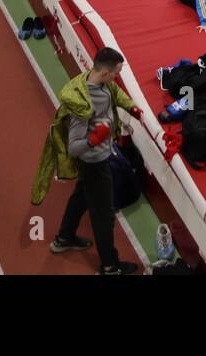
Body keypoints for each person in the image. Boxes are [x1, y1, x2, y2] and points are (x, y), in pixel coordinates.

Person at [40, 46, 143, 275]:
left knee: (81, 196)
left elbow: (115, 92)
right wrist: (95, 140)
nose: (117, 77)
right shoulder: (83, 105)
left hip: (96, 160)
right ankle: (109, 266)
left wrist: (131, 107)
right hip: (95, 162)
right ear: (105, 73)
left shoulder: (96, 79)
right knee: (104, 215)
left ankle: (64, 238)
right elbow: (74, 147)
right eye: (116, 73)